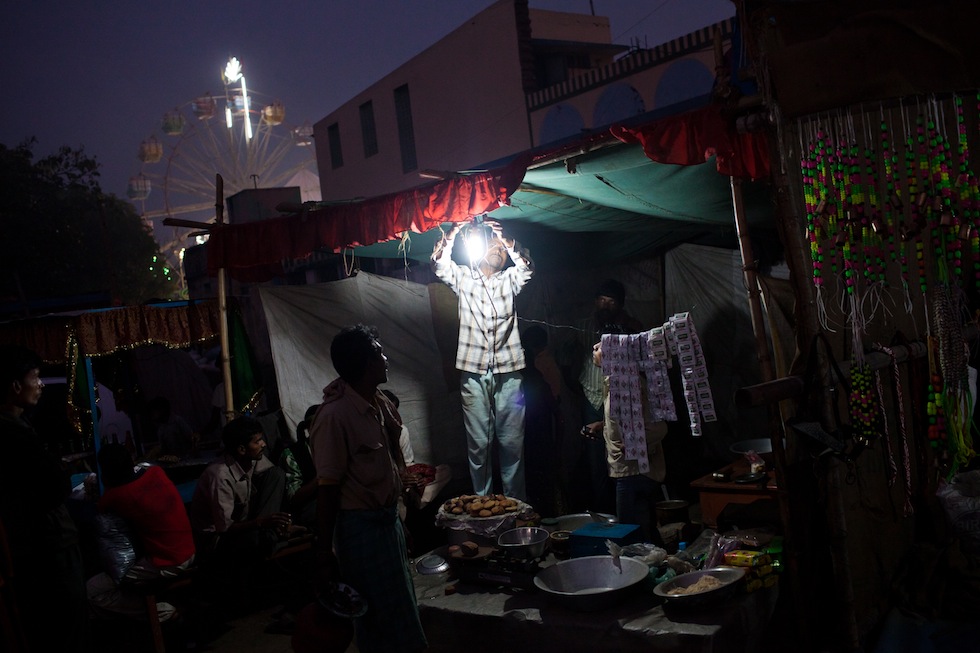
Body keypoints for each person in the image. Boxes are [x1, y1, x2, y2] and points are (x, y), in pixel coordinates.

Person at [310, 324, 427, 653]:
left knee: (400, 610)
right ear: (364, 363)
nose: (385, 358)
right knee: (376, 621)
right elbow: (328, 490)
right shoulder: (335, 417)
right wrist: (324, 555)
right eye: (378, 352)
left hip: (386, 526)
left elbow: (386, 471)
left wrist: (398, 524)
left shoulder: (377, 407)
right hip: (360, 534)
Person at [431, 219, 534, 499]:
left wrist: (507, 239)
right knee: (479, 444)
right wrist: (453, 233)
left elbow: (526, 267)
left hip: (509, 371)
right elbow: (440, 263)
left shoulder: (509, 280)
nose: (498, 250)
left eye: (502, 249)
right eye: (494, 245)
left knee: (512, 443)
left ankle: (514, 505)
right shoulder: (464, 277)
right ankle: (483, 504)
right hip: (473, 371)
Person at [0, 344, 91, 652]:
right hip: (48, 546)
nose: (40, 384)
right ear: (15, 385)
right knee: (65, 630)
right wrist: (61, 470)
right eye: (36, 377)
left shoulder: (19, 426)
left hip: (36, 545)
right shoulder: (13, 434)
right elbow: (53, 485)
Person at [559, 278, 643, 514]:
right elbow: (565, 354)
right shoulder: (582, 326)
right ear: (595, 302)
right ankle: (604, 514)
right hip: (592, 398)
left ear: (620, 305)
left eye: (611, 301)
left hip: (621, 401)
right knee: (596, 461)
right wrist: (571, 383)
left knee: (622, 459)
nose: (605, 306)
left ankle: (624, 511)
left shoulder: (631, 327)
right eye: (602, 300)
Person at [86, 443, 196, 622]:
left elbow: (101, 508)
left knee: (93, 590)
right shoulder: (156, 473)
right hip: (189, 550)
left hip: (169, 562)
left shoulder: (117, 495)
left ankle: (162, 612)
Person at [189, 416, 292, 598]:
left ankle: (270, 534)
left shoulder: (252, 460)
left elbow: (271, 480)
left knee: (276, 474)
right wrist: (261, 522)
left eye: (261, 439)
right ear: (242, 449)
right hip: (216, 541)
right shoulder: (220, 476)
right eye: (257, 441)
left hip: (247, 526)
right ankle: (273, 536)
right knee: (254, 540)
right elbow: (224, 529)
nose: (263, 444)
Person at [584, 337, 668, 545]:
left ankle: (646, 574)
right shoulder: (615, 380)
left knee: (633, 539)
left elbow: (659, 427)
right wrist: (603, 426)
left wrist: (636, 443)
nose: (595, 348)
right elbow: (627, 419)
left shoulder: (626, 385)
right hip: (627, 472)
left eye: (600, 346)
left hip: (634, 474)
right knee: (644, 530)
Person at [520, 325, 564, 516]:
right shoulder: (537, 381)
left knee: (537, 479)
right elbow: (557, 410)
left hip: (533, 437)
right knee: (544, 478)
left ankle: (544, 515)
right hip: (542, 437)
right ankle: (548, 514)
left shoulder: (532, 381)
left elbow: (556, 409)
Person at [278, 404, 320, 530]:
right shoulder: (293, 454)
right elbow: (294, 498)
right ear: (309, 428)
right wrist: (320, 478)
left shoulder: (339, 447)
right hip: (309, 510)